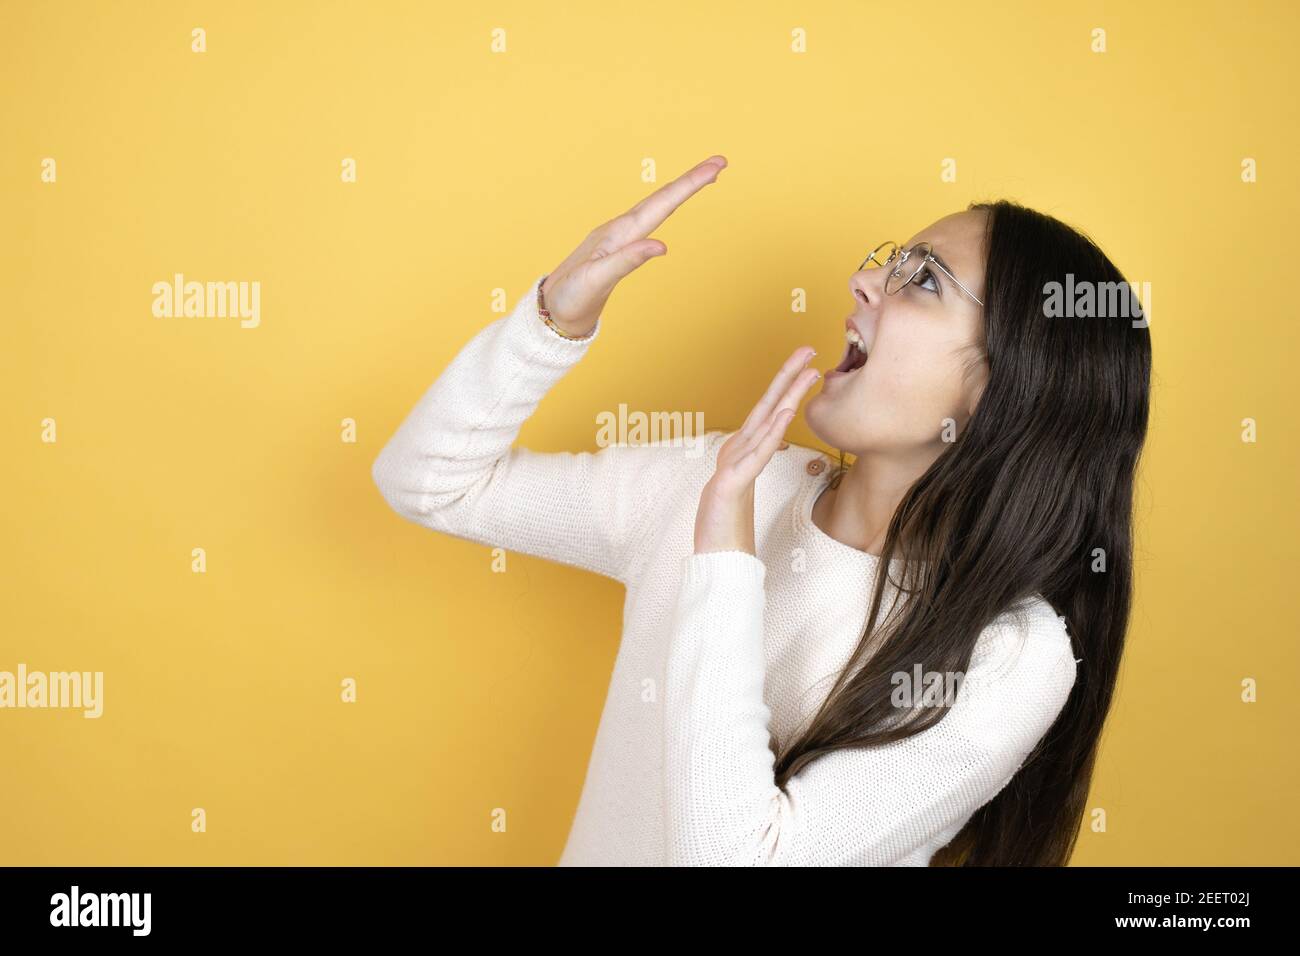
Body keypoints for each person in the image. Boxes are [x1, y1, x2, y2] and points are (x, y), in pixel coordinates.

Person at [371, 155, 1152, 865]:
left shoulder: (1013, 655)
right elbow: (430, 483)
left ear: (1007, 387)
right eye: (891, 261)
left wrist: (722, 554)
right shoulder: (731, 481)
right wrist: (552, 319)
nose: (864, 280)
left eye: (923, 281)